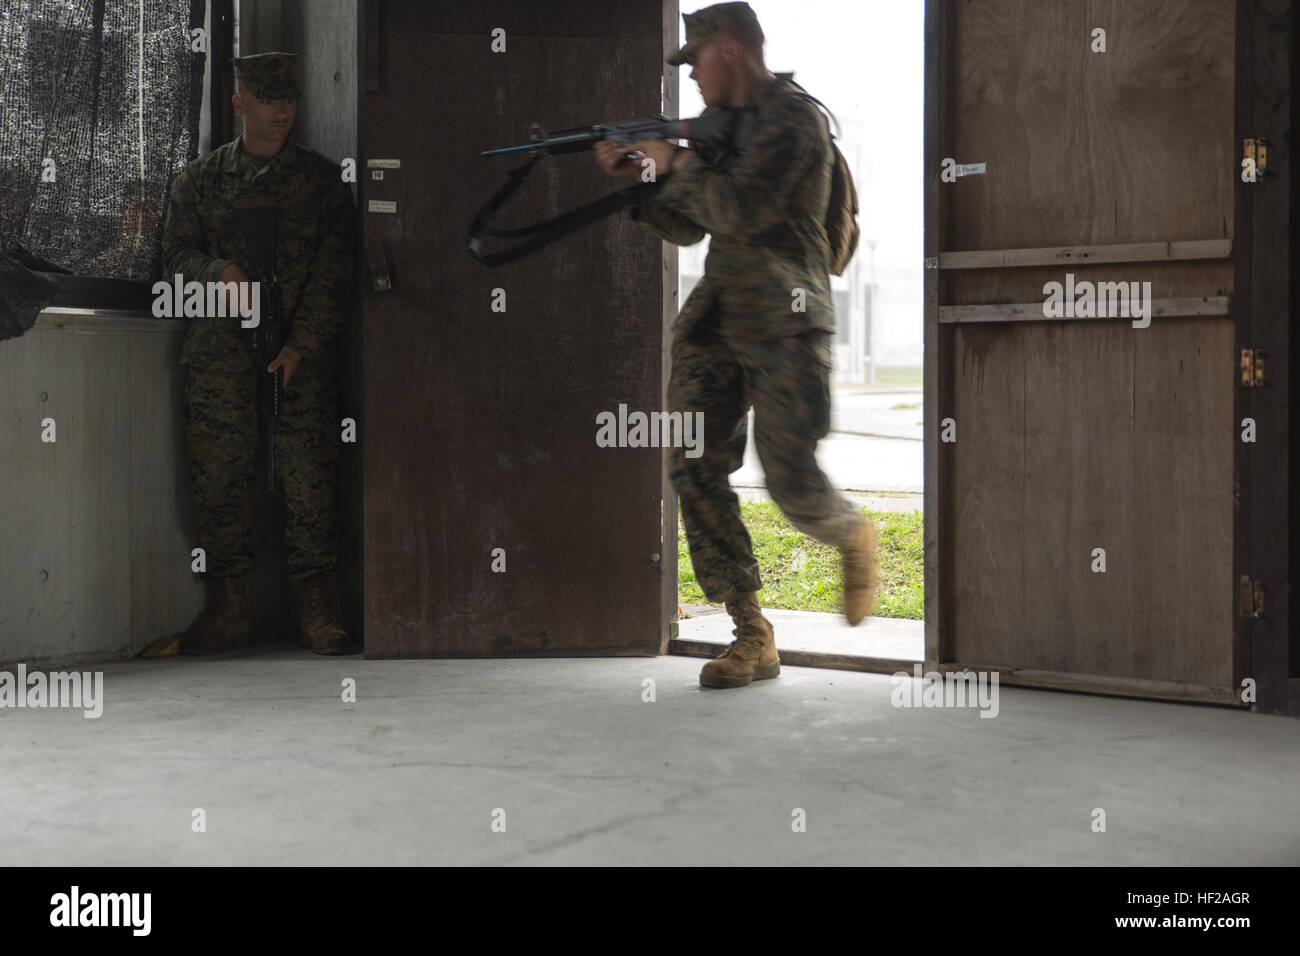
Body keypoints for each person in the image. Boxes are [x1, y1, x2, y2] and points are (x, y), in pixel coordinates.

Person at [594, 2, 878, 689]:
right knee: (692, 464)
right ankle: (752, 632)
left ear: (729, 50)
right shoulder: (719, 136)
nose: (690, 77)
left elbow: (744, 211)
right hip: (718, 318)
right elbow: (691, 229)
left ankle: (849, 532)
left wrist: (676, 162)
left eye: (694, 62)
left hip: (786, 318)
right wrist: (643, 178)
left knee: (789, 481)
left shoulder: (795, 121)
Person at [151, 52, 355, 656]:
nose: (281, 111)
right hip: (219, 354)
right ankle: (229, 606)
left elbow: (332, 275)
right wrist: (222, 271)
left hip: (297, 352)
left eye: (288, 99)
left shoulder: (320, 183)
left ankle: (320, 605)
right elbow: (175, 259)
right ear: (239, 103)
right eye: (267, 100)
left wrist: (299, 347)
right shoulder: (198, 182)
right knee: (217, 478)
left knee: (308, 474)